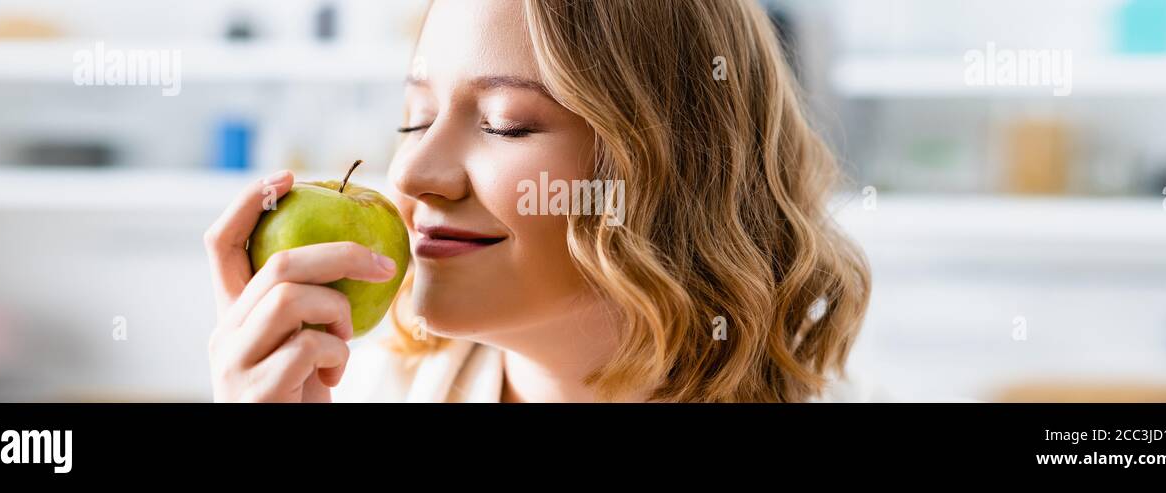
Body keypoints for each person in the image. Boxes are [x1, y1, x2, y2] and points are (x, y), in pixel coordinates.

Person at [206, 0, 874, 403]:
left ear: (676, 165)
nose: (411, 172)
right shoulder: (357, 387)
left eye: (503, 123)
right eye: (415, 117)